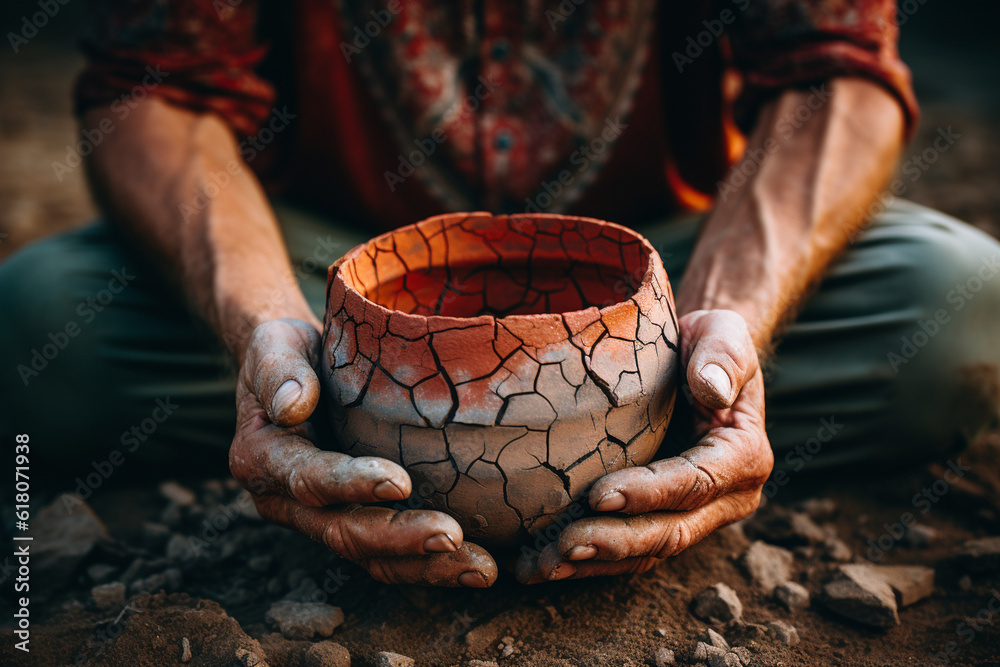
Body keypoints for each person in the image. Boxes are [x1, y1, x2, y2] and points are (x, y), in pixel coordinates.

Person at [2, 0, 998, 587]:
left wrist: (728, 321)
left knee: (958, 303)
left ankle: (419, 437)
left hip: (665, 274)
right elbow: (156, 87)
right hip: (326, 272)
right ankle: (323, 418)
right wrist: (263, 324)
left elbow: (835, 69)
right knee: (44, 323)